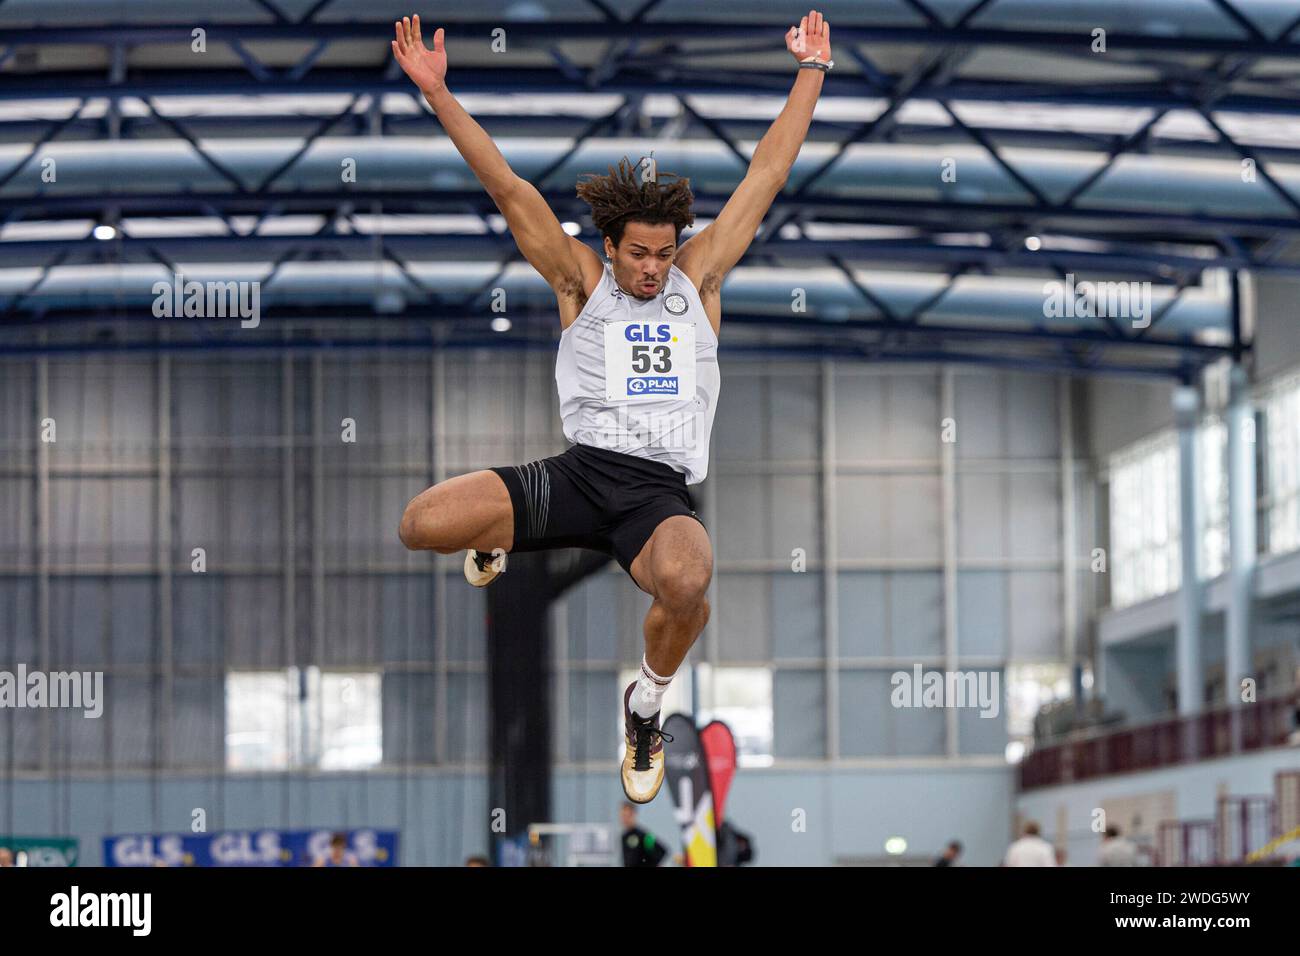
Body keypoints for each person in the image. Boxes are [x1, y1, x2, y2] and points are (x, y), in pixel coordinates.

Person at [393, 11, 833, 805]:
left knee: (690, 580)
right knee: (420, 525)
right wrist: (438, 93)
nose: (653, 269)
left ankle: (646, 707)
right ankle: (499, 540)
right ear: (609, 246)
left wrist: (811, 73)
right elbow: (506, 185)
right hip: (577, 474)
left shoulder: (695, 284)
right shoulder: (578, 283)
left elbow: (765, 177)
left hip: (656, 494)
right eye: (639, 253)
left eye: (665, 253)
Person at [620, 802, 668, 867]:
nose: (625, 819)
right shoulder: (624, 836)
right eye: (623, 816)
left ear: (634, 815)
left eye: (628, 816)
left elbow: (662, 851)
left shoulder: (643, 835)